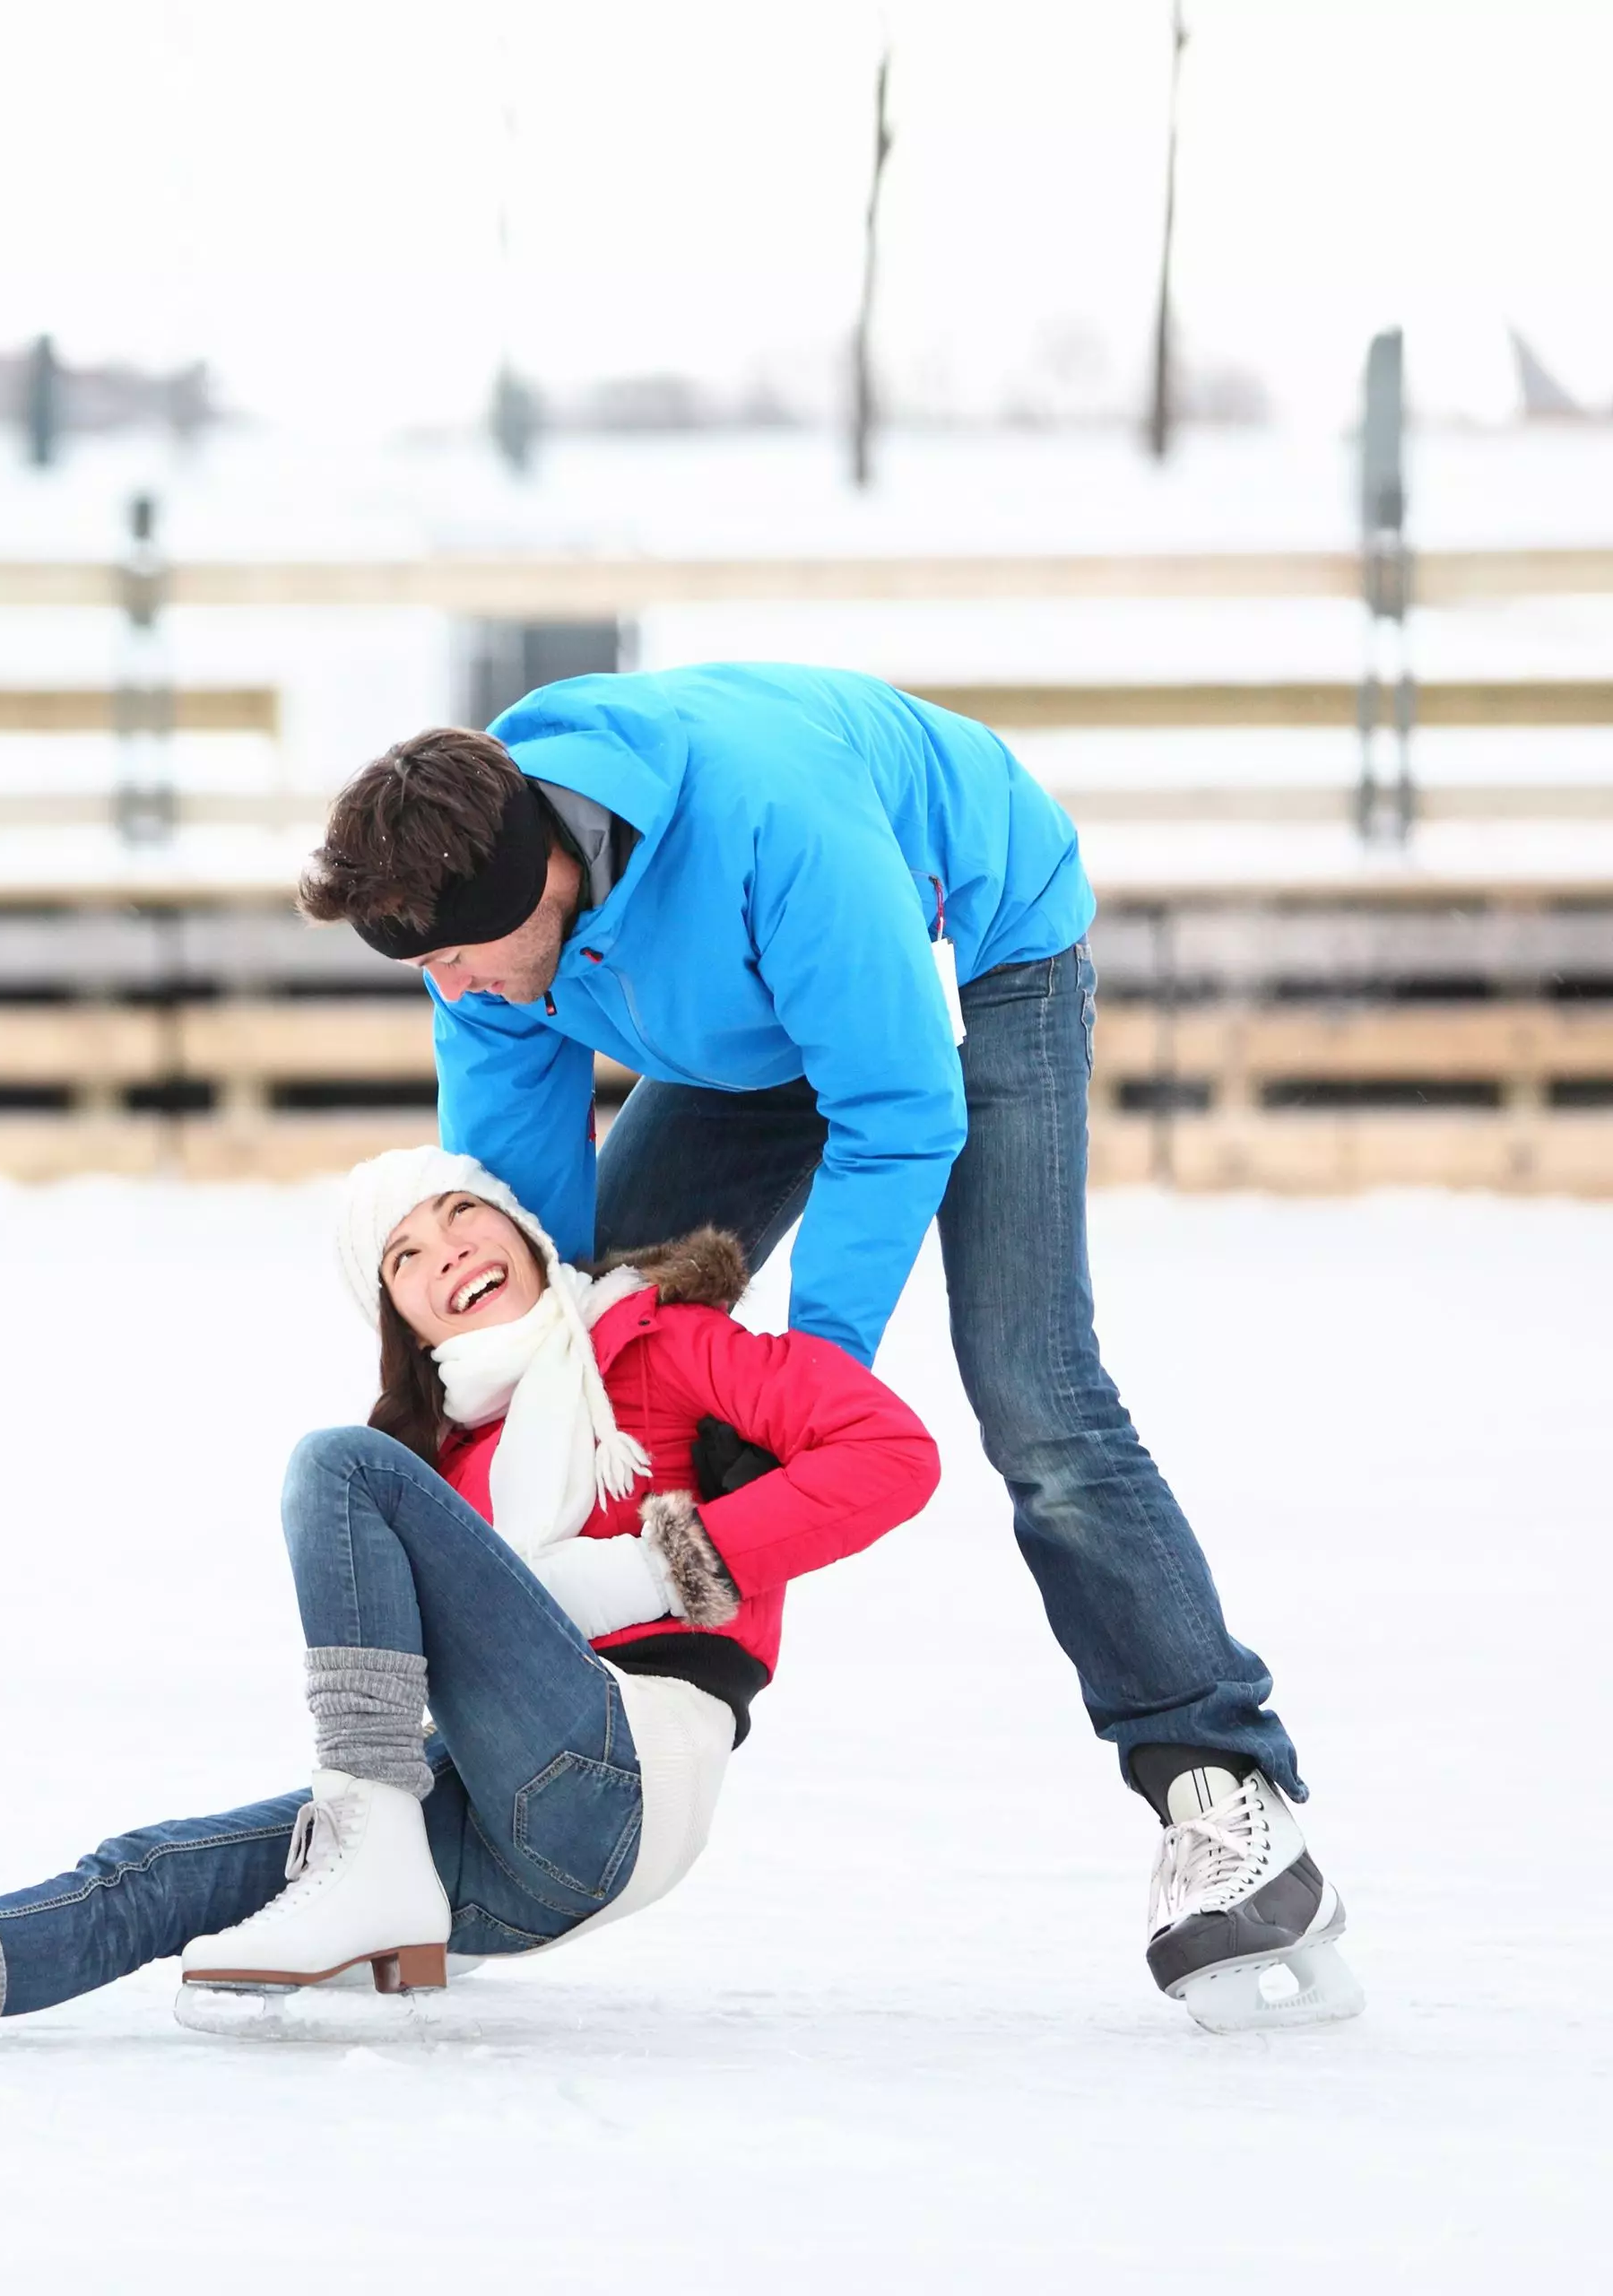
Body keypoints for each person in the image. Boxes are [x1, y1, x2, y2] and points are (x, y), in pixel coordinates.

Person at [296, 665, 1363, 2030]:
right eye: (426, 966)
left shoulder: (774, 827)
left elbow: (898, 1109)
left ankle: (1224, 1790)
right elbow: (532, 1257)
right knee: (595, 1335)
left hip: (978, 958)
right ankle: (560, 1713)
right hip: (760, 1016)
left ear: (543, 878)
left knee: (1037, 1397)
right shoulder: (471, 901)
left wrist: (815, 1378)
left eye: (457, 958)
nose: (450, 989)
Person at [0, 1145, 939, 2052]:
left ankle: (369, 1847)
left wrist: (655, 1568)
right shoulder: (443, 1471)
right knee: (158, 1870)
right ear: (405, 1322)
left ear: (519, 1228)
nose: (446, 1246)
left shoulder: (667, 1343)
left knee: (335, 1468)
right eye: (403, 1255)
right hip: (524, 1859)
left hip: (633, 1766)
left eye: (461, 1209)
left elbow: (894, 1455)